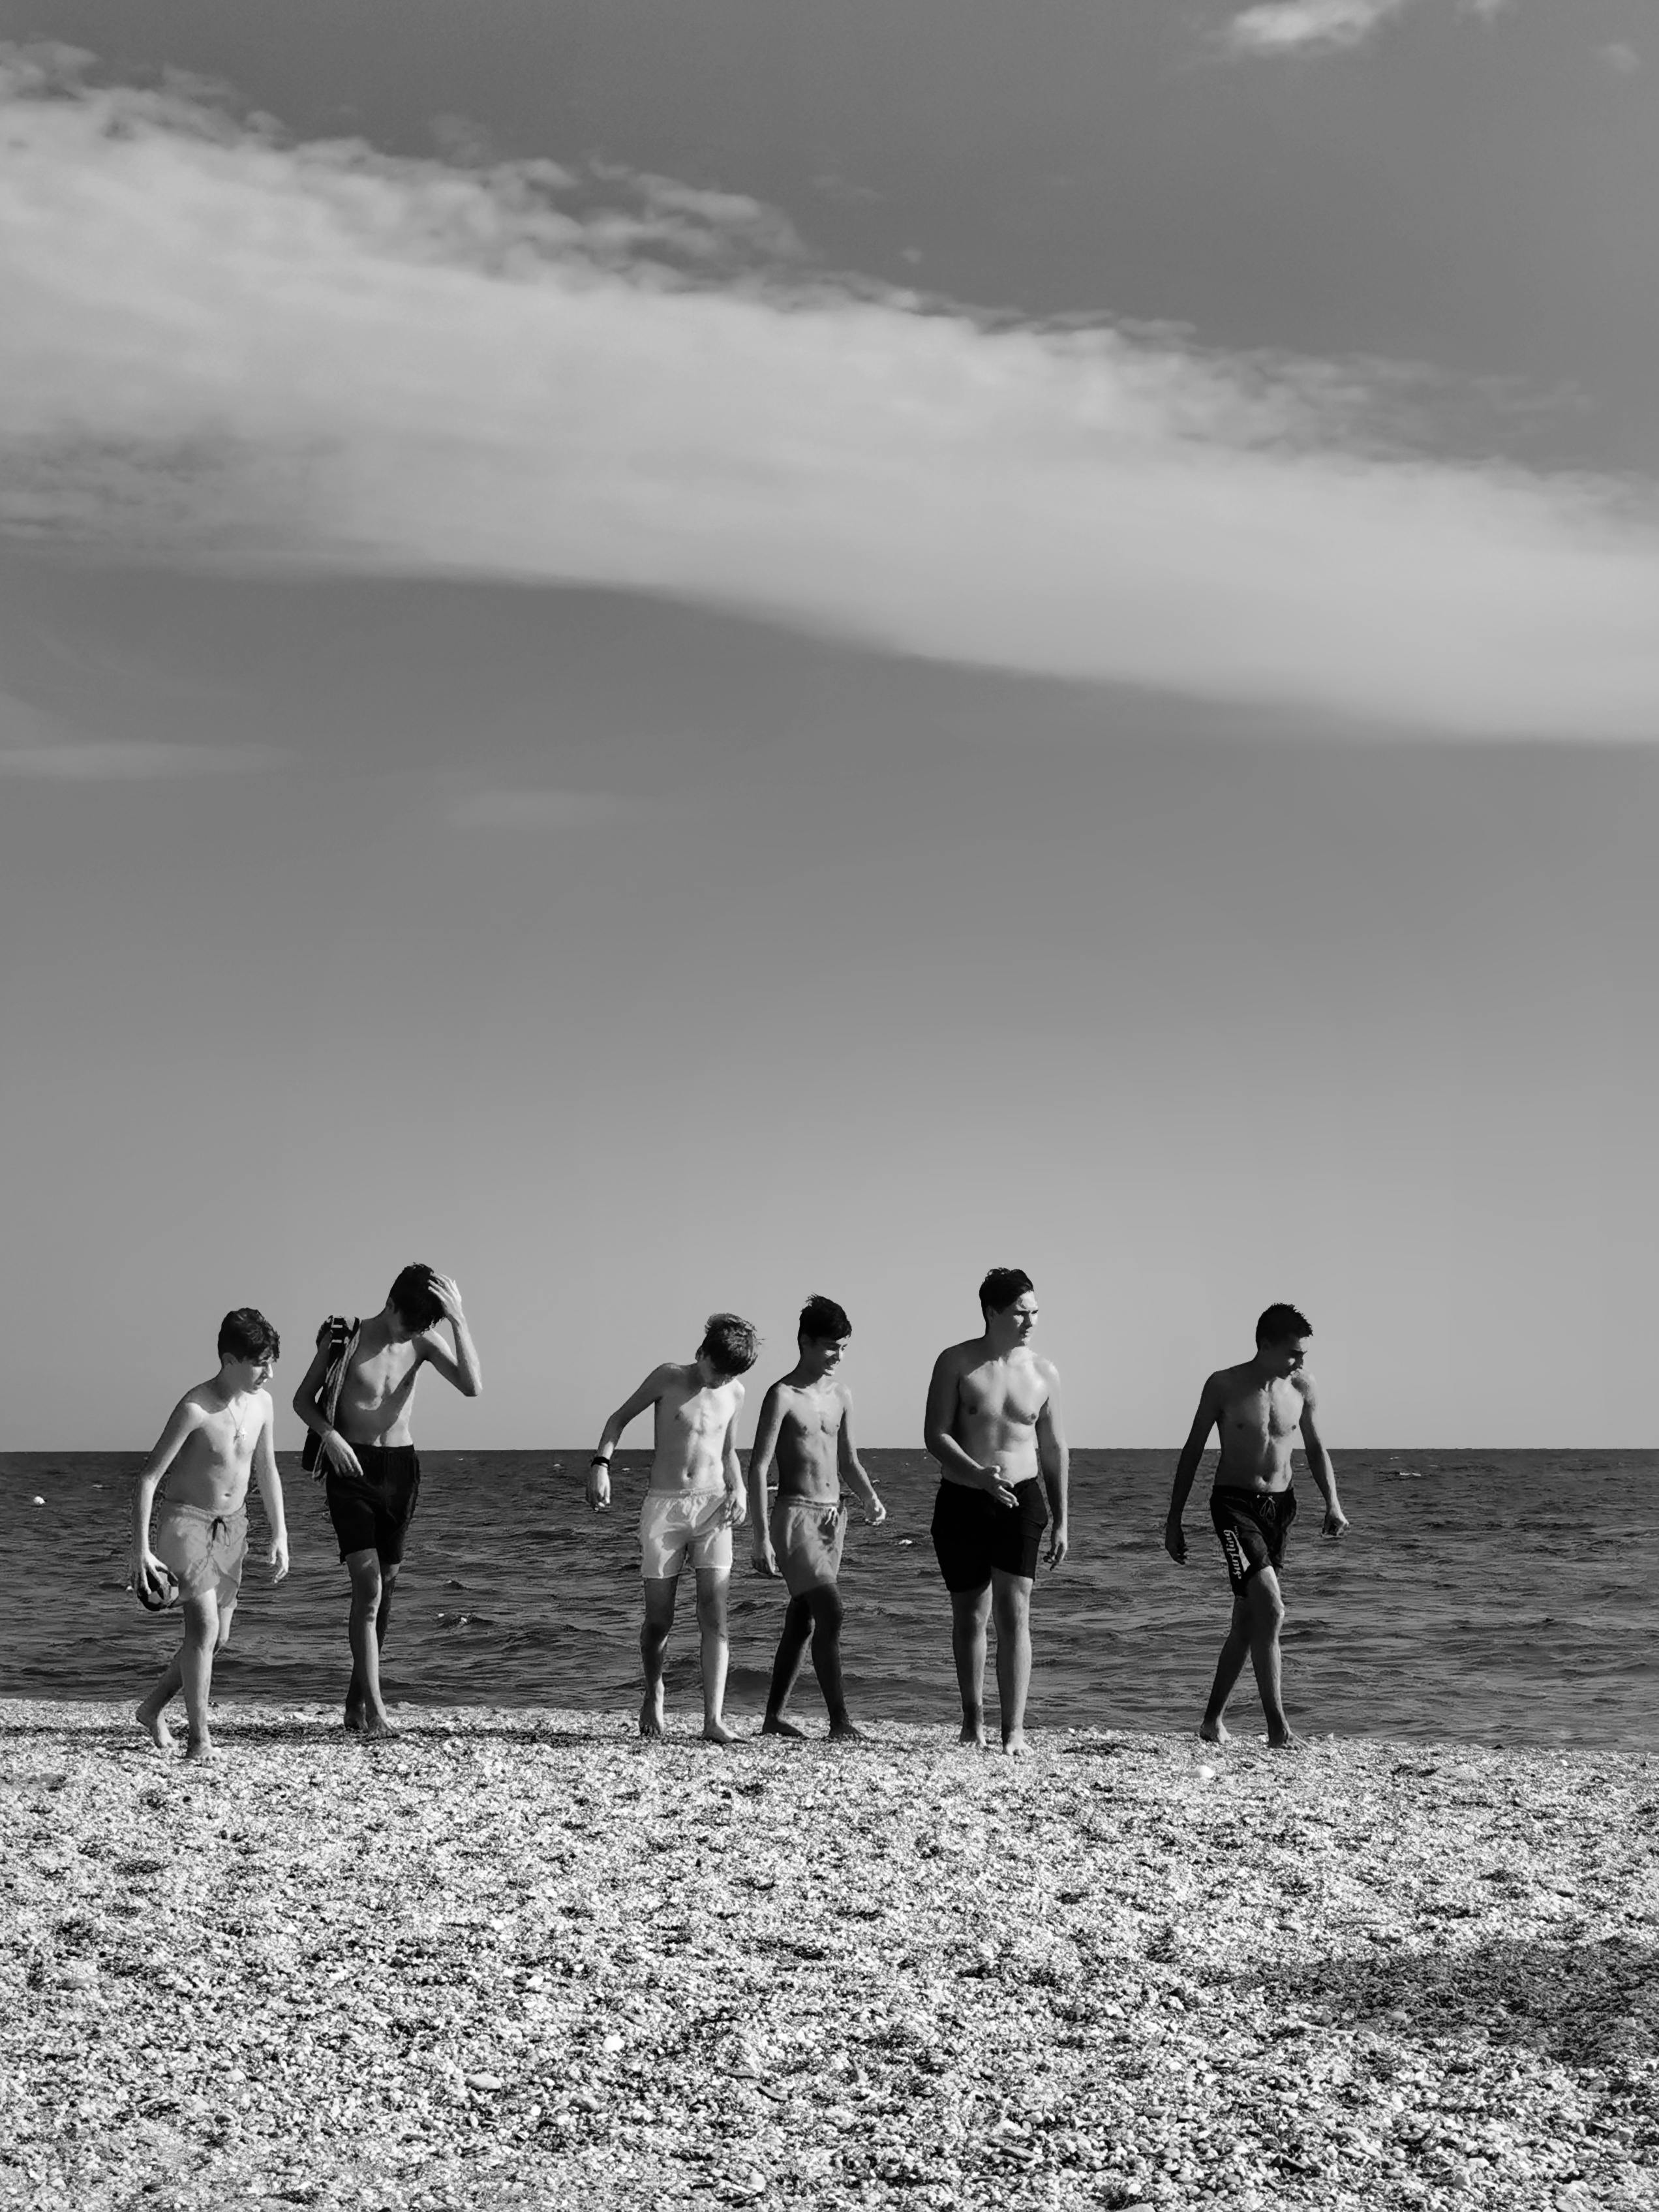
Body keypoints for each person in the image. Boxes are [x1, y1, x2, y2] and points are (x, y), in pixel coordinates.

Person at [292, 1264, 482, 1737]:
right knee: (369, 1588)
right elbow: (302, 1400)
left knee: (385, 1591)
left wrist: (459, 1320)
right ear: (390, 1303)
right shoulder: (345, 1337)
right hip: (350, 1470)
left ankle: (355, 1702)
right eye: (408, 1324)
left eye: (422, 1327)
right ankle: (377, 1710)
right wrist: (330, 1436)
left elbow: (472, 1386)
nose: (411, 1333)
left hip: (400, 1472)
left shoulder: (424, 1342)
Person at [1164, 1301, 1348, 1750]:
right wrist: (1174, 1519)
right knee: (1272, 1609)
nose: (1299, 1361)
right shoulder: (1224, 1385)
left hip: (1280, 1508)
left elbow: (1315, 1447)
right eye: (1292, 1352)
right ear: (1265, 1344)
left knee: (1248, 1621)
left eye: (1303, 1353)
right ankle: (1278, 1729)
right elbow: (1192, 1450)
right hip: (1234, 1506)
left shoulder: (1302, 1386)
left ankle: (1211, 1722)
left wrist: (1333, 1503)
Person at [586, 1313, 759, 1744]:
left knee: (714, 1614)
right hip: (665, 1508)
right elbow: (617, 1419)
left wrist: (739, 1489)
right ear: (701, 1353)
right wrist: (601, 1465)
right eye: (717, 1370)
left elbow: (728, 1450)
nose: (721, 1380)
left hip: (713, 1508)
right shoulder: (668, 1377)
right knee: (659, 1620)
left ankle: (713, 1719)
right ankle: (654, 1691)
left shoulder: (735, 1391)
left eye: (730, 1375)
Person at [131, 1309, 290, 1762]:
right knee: (202, 1628)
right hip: (186, 1522)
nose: (269, 1373)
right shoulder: (195, 1408)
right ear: (229, 1360)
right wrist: (140, 1550)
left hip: (233, 1525)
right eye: (260, 1363)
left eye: (272, 1362)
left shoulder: (263, 1404)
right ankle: (199, 1740)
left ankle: (151, 1708)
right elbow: (148, 1479)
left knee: (218, 1638)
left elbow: (267, 1470)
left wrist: (280, 1533)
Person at [923, 1267, 1068, 1753]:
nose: (1031, 1321)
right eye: (1020, 1312)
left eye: (1035, 1311)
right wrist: (978, 1475)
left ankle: (1014, 1730)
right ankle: (972, 1721)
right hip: (963, 1498)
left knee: (1015, 1611)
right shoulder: (957, 1361)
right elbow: (935, 1435)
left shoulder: (1044, 1372)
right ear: (991, 1312)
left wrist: (1062, 1520)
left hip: (1022, 1498)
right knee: (970, 1613)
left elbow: (1054, 1448)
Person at [748, 1295, 887, 1742]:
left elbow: (848, 1459)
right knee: (832, 1611)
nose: (838, 1356)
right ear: (805, 1341)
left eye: (843, 1347)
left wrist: (869, 1497)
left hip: (833, 1518)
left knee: (803, 1618)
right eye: (830, 1346)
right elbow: (758, 1467)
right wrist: (760, 1537)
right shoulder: (782, 1395)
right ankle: (840, 1721)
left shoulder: (842, 1394)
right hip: (795, 1516)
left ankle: (773, 1717)